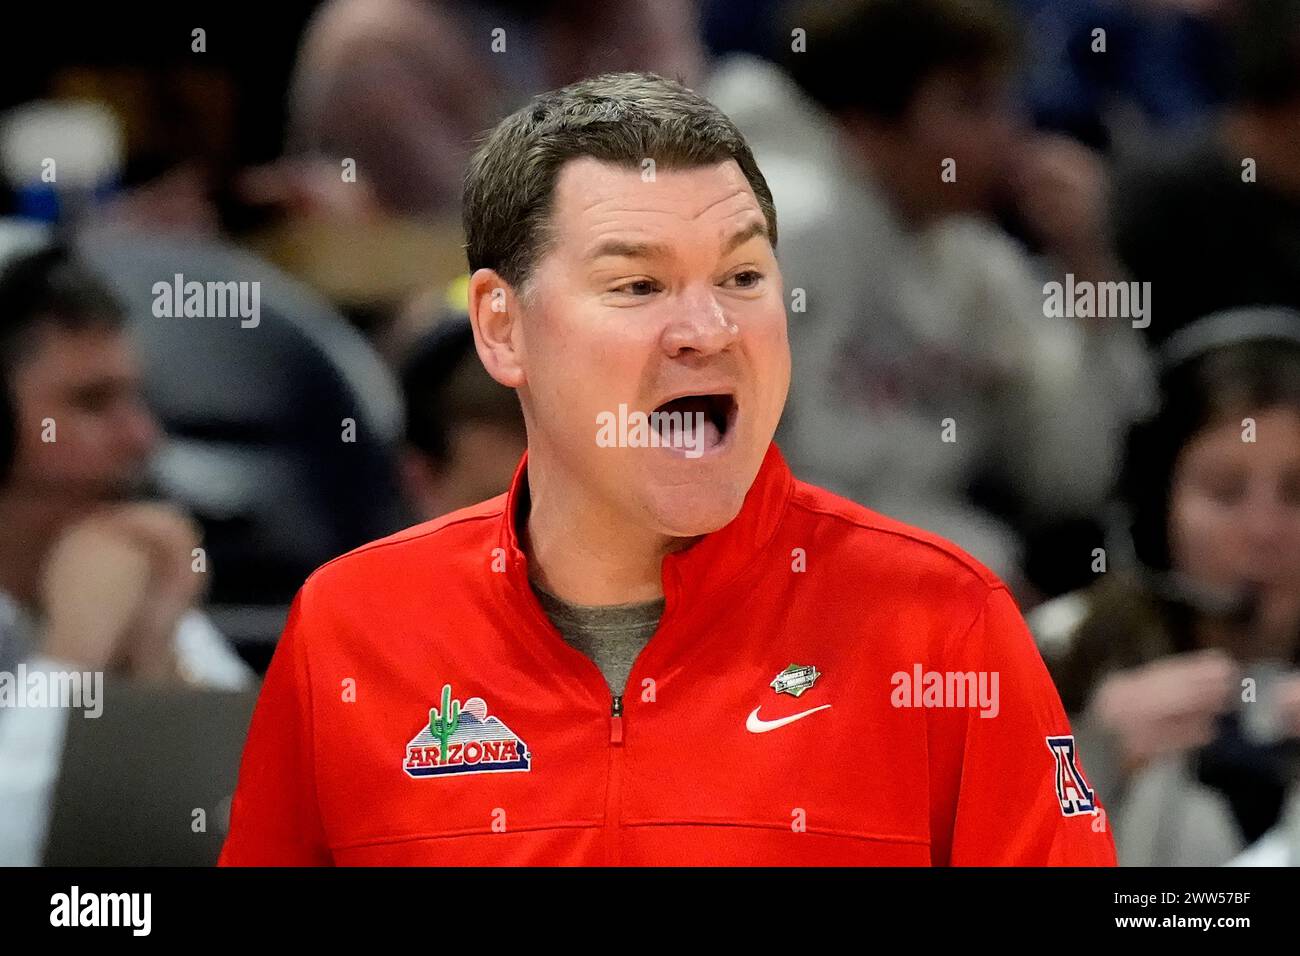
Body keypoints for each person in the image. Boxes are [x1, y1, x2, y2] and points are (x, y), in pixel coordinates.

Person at [220, 72, 1117, 866]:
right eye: (638, 286)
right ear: (502, 327)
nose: (709, 330)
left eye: (741, 278)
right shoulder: (351, 630)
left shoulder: (945, 625)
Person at [711, 0, 1151, 586]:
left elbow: (1072, 477)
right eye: (973, 104)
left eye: (1003, 100)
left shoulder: (974, 257)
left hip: (923, 565)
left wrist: (1088, 268)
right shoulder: (777, 227)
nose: (1009, 132)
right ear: (864, 127)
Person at [0, 245, 252, 866]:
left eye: (135, 400)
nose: (143, 439)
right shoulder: (85, 614)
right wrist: (71, 661)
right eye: (92, 403)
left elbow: (268, 832)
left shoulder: (127, 582)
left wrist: (157, 655)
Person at [1029, 308, 1300, 865]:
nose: (1265, 531)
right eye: (1226, 493)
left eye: (1297, 495)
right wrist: (1086, 762)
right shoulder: (1055, 648)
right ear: (1155, 512)